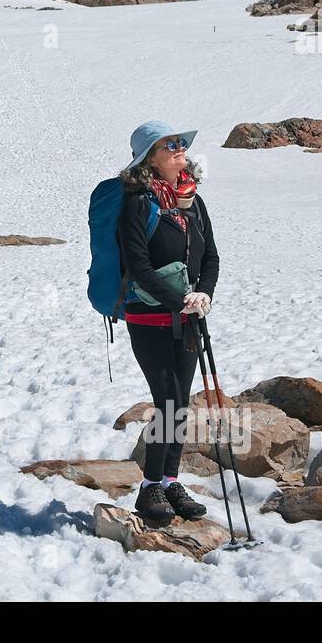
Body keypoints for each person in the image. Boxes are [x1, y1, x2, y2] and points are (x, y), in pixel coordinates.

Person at [116, 121, 219, 522]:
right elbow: (138, 266)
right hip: (149, 318)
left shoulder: (191, 199)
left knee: (178, 407)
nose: (180, 150)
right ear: (150, 159)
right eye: (169, 145)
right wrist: (180, 299)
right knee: (169, 402)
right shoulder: (137, 203)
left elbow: (210, 255)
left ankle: (171, 482)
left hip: (189, 317)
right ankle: (149, 489)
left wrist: (203, 294)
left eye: (180, 144)